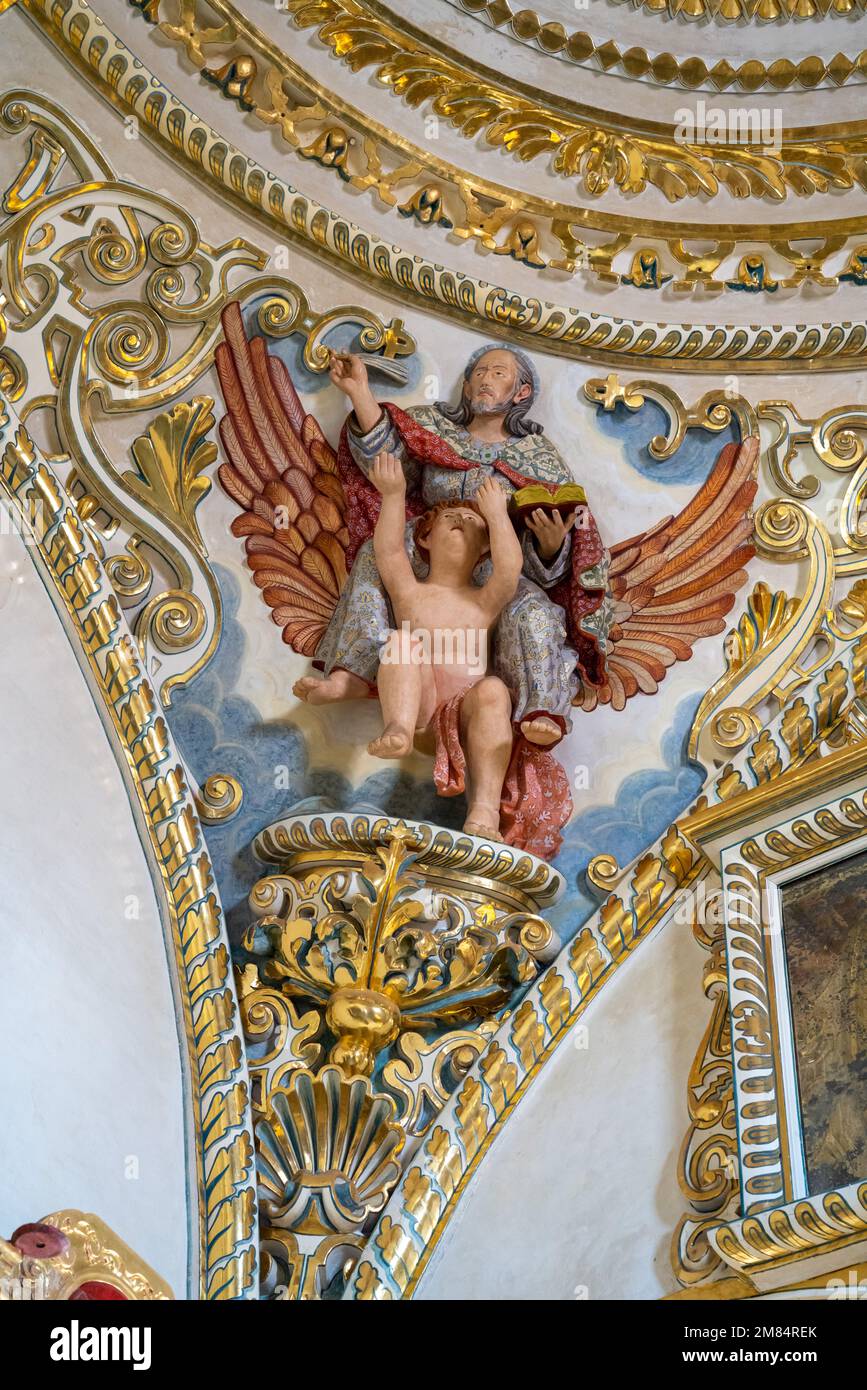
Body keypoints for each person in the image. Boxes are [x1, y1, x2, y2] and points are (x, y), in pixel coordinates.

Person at [292, 344, 610, 747]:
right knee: (376, 552)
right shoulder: (433, 427)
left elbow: (560, 546)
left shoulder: (538, 457)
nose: (484, 380)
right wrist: (360, 393)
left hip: (492, 562)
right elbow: (388, 463)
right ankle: (352, 670)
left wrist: (549, 549)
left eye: (497, 373)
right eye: (477, 372)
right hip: (426, 547)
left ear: (522, 393)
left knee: (534, 610)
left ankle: (541, 707)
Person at [367, 454, 522, 840]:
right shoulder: (411, 593)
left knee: (493, 690)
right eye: (450, 516)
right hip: (420, 707)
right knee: (401, 641)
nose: (461, 519)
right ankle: (397, 728)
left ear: (485, 547)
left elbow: (508, 572)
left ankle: (483, 811)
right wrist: (393, 494)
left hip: (466, 716)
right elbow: (387, 553)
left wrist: (497, 514)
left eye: (473, 522)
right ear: (424, 537)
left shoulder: (482, 601)